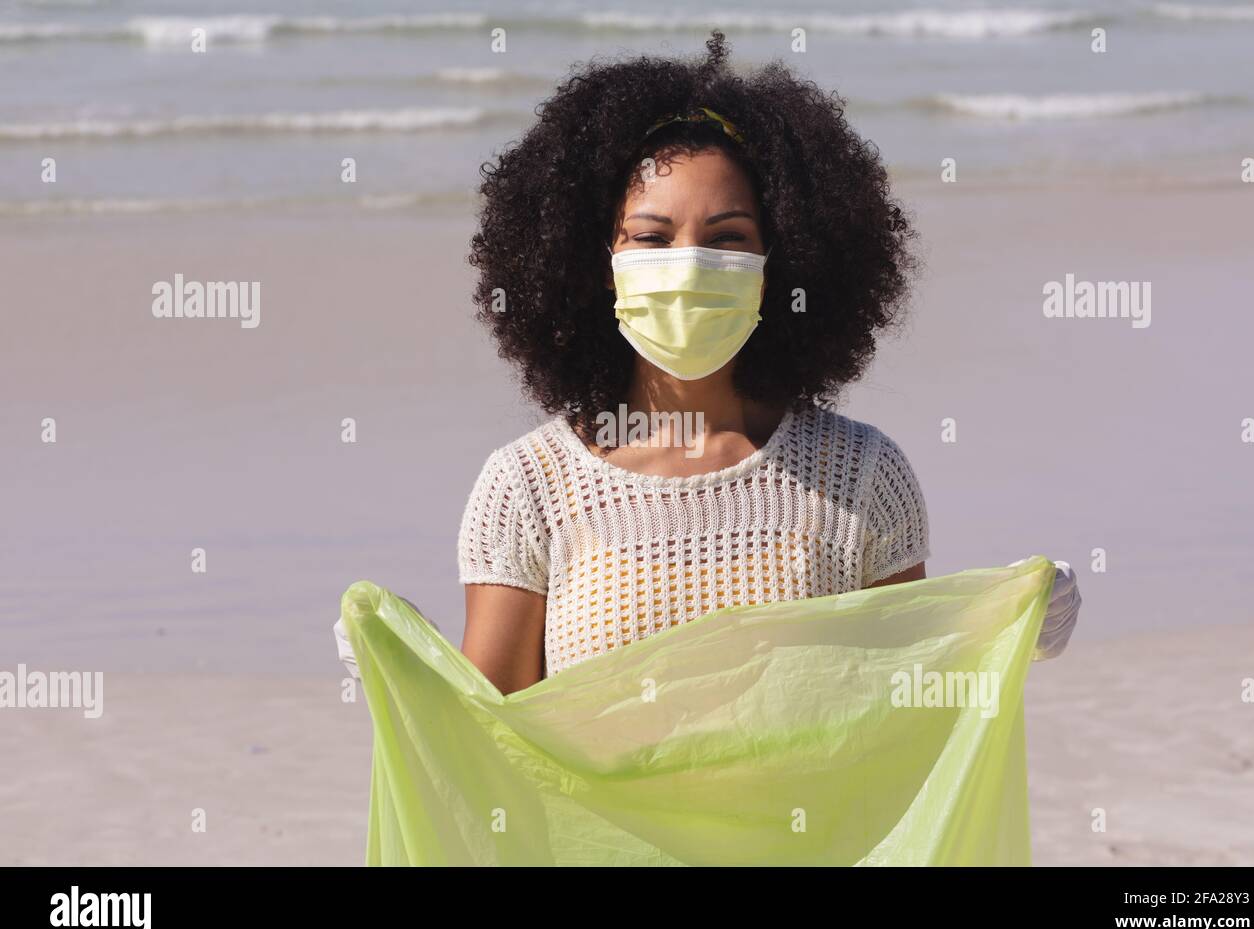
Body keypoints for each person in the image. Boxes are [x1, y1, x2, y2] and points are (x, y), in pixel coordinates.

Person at [335, 32, 1080, 693]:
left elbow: (901, 710)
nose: (687, 265)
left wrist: (1000, 637)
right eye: (652, 239)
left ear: (776, 259)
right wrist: (405, 674)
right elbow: (485, 745)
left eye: (725, 237)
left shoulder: (860, 479)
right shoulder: (528, 489)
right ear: (598, 262)